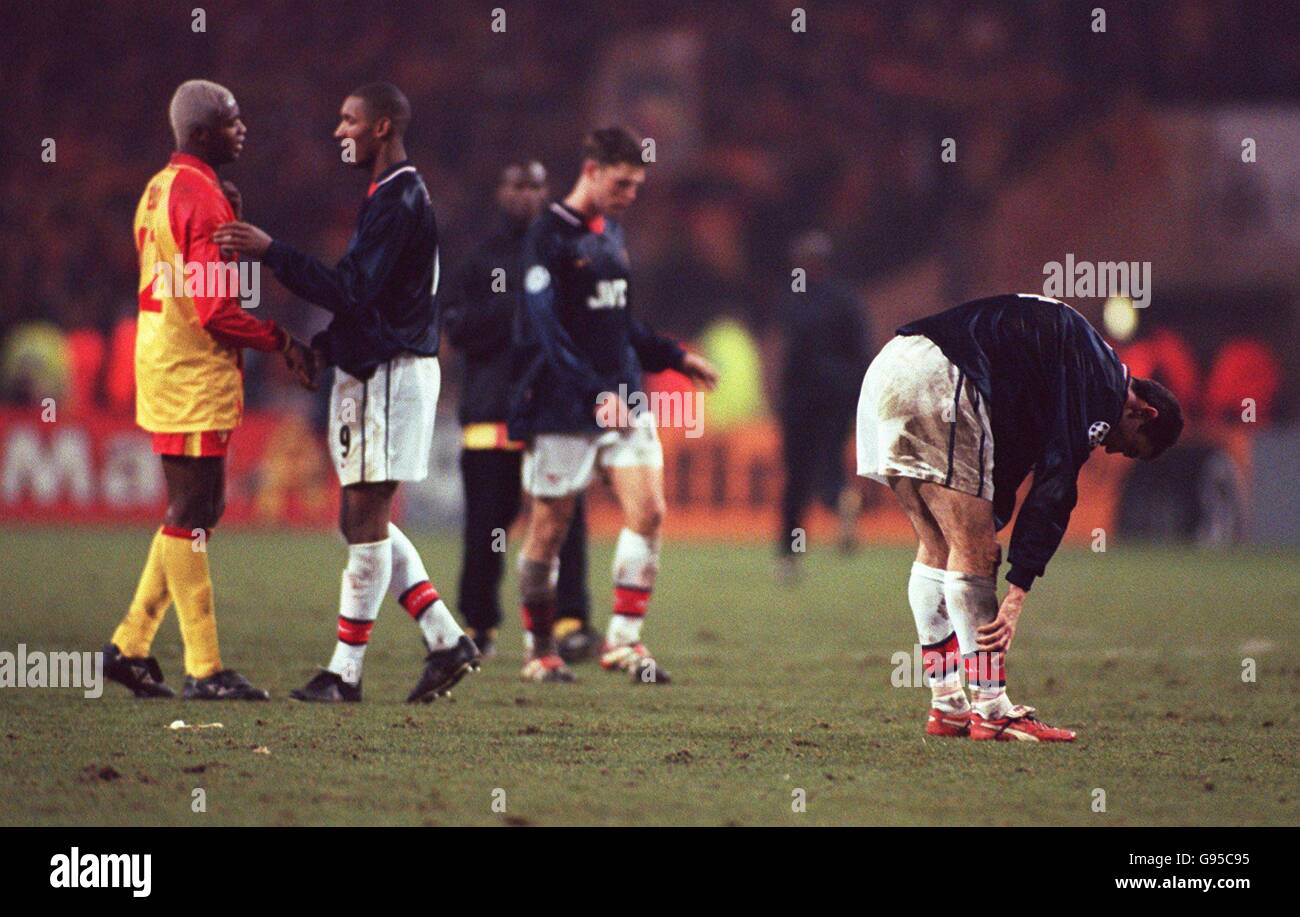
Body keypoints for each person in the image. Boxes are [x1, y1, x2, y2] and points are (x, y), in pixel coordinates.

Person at [214, 82, 479, 703]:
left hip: (389, 376)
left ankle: (345, 673)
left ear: (381, 127)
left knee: (362, 519)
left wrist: (271, 252)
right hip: (382, 367)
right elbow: (378, 302)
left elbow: (351, 290)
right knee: (361, 518)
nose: (339, 131)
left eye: (348, 120)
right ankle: (445, 640)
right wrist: (329, 350)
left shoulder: (398, 198)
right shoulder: (394, 196)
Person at [857, 294, 1183, 741]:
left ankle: (948, 702)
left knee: (938, 547)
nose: (1111, 449)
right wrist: (1016, 594)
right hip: (939, 376)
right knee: (973, 552)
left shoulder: (1078, 360)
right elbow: (1056, 485)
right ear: (1144, 411)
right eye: (1128, 444)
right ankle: (992, 709)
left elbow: (1011, 455)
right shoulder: (1103, 386)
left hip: (892, 366)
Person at [103, 79, 315, 701]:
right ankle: (204, 669)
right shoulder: (201, 198)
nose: (242, 127)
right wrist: (282, 341)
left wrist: (230, 223)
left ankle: (129, 647)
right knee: (193, 513)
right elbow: (217, 310)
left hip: (166, 356)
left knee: (197, 511)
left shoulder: (160, 188)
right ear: (200, 133)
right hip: (192, 368)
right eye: (231, 119)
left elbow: (189, 279)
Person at [508, 127, 720, 684]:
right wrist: (593, 394)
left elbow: (619, 321)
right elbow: (546, 331)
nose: (629, 195)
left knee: (649, 511)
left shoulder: (612, 234)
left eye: (636, 185)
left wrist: (673, 356)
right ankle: (539, 651)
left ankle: (623, 643)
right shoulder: (547, 237)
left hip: (623, 395)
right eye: (622, 183)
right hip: (562, 404)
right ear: (592, 170)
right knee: (550, 526)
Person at [442, 159, 595, 662]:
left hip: (554, 412)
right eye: (516, 185)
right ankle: (479, 625)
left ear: (546, 192)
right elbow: (457, 330)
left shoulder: (567, 255)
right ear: (500, 191)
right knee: (488, 526)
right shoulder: (479, 260)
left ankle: (571, 621)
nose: (525, 195)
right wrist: (521, 309)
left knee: (565, 522)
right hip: (493, 411)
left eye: (534, 186)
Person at [774, 231, 871, 580]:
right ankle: (842, 500)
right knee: (831, 464)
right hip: (838, 396)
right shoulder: (846, 299)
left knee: (797, 477)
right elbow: (862, 352)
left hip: (802, 398)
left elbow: (791, 348)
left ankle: (790, 556)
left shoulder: (796, 296)